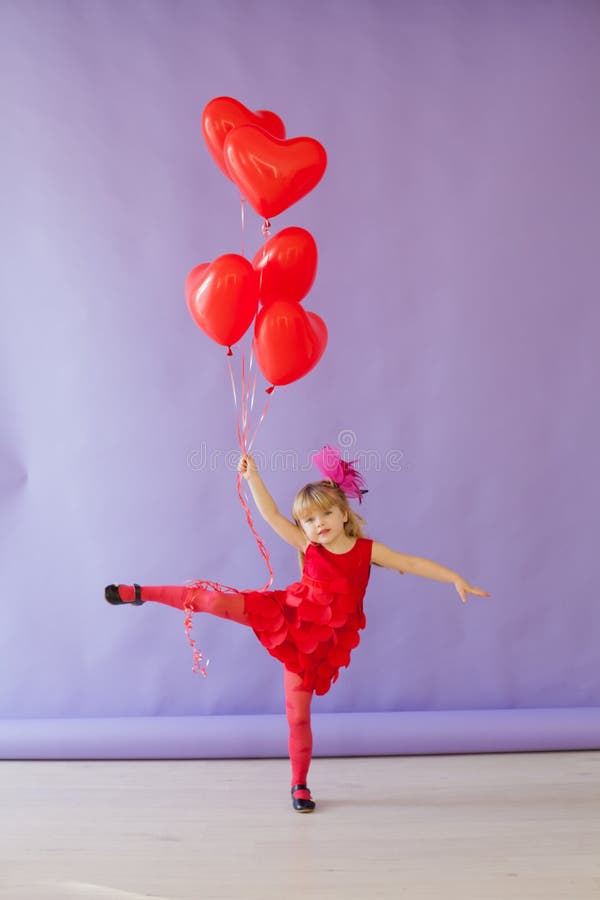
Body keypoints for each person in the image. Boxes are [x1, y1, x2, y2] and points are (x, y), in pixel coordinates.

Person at [105, 445, 490, 813]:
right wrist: (254, 476)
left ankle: (299, 783)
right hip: (286, 615)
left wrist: (454, 577)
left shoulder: (366, 550)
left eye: (323, 515)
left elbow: (412, 562)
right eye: (308, 519)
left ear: (342, 514)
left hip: (314, 645)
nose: (316, 524)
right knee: (214, 602)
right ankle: (141, 592)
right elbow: (271, 515)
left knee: (298, 717)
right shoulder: (309, 546)